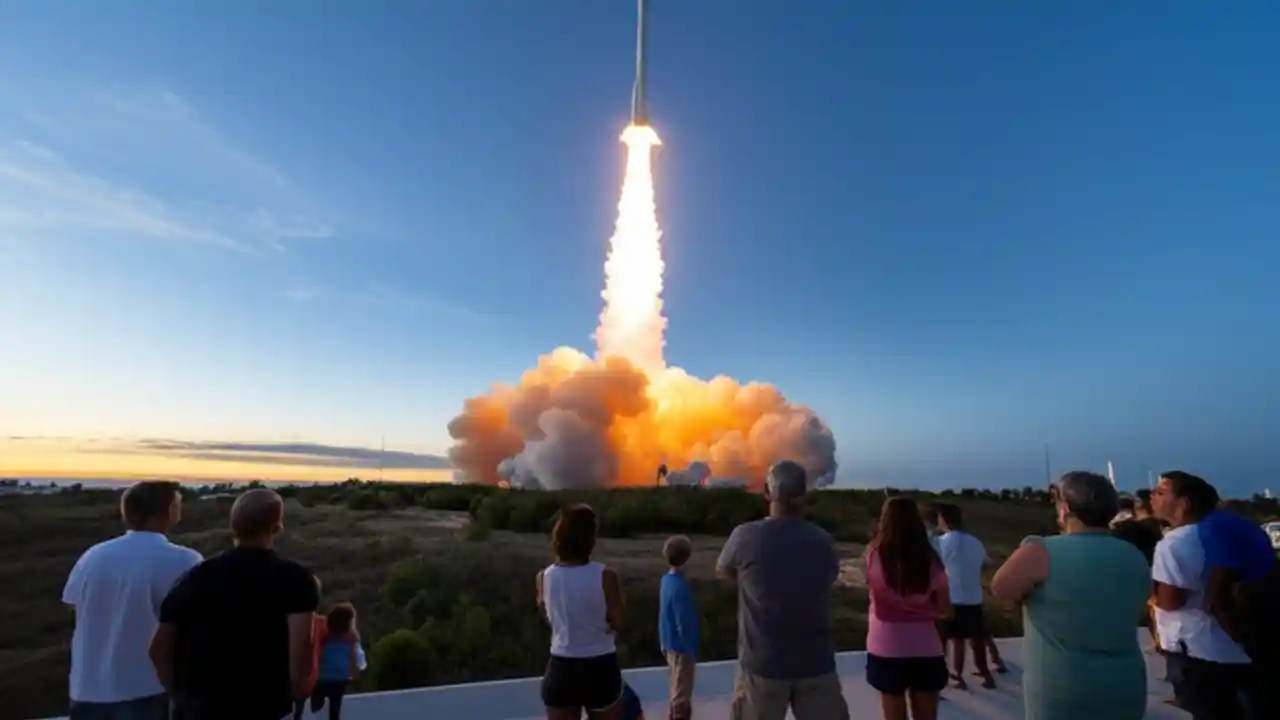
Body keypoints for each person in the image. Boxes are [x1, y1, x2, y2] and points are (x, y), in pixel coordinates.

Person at [991, 471, 1150, 720]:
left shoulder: (1041, 551)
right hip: (1126, 682)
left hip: (1063, 684)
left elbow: (1001, 588)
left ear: (1064, 509)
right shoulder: (1133, 554)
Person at [150, 489, 319, 720]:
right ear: (276, 528)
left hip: (198, 709)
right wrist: (299, 691)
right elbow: (300, 655)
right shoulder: (295, 580)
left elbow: (158, 648)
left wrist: (180, 693)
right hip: (262, 707)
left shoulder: (195, 577)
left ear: (233, 526)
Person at [716, 460, 849, 720]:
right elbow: (829, 578)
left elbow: (724, 572)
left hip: (762, 665)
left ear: (767, 492)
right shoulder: (823, 541)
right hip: (816, 664)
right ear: (805, 496)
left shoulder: (745, 537)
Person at [62, 481, 202, 720]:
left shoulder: (93, 556)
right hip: (145, 689)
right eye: (178, 504)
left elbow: (74, 608)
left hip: (86, 690)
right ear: (169, 511)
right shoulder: (184, 560)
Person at [1149, 471, 1256, 720]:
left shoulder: (1174, 543)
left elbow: (1172, 600)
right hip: (1231, 645)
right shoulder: (1225, 532)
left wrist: (1153, 596)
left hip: (1194, 649)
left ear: (1183, 504)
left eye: (1161, 492)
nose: (1152, 496)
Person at [537, 504, 627, 720]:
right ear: (589, 539)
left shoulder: (544, 577)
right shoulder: (606, 575)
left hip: (561, 666)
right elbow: (619, 620)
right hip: (600, 666)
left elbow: (547, 615)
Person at [864, 497, 950, 720]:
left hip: (886, 644)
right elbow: (944, 607)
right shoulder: (930, 560)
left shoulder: (874, 556)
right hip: (925, 646)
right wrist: (923, 611)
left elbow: (876, 597)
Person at [934, 503, 996, 690]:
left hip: (949, 598)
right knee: (974, 641)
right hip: (972, 598)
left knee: (943, 642)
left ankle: (951, 677)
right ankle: (985, 674)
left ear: (943, 519)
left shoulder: (940, 542)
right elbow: (985, 564)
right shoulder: (975, 542)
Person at [659, 535, 699, 720]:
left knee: (675, 688)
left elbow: (663, 614)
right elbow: (682, 620)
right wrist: (689, 647)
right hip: (682, 648)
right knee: (682, 694)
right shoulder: (680, 588)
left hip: (669, 643)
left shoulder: (666, 581)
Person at [302, 603, 361, 720]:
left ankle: (316, 702)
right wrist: (355, 675)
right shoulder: (350, 642)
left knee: (319, 696)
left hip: (323, 679)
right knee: (335, 705)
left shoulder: (324, 640)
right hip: (340, 679)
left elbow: (318, 657)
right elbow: (353, 661)